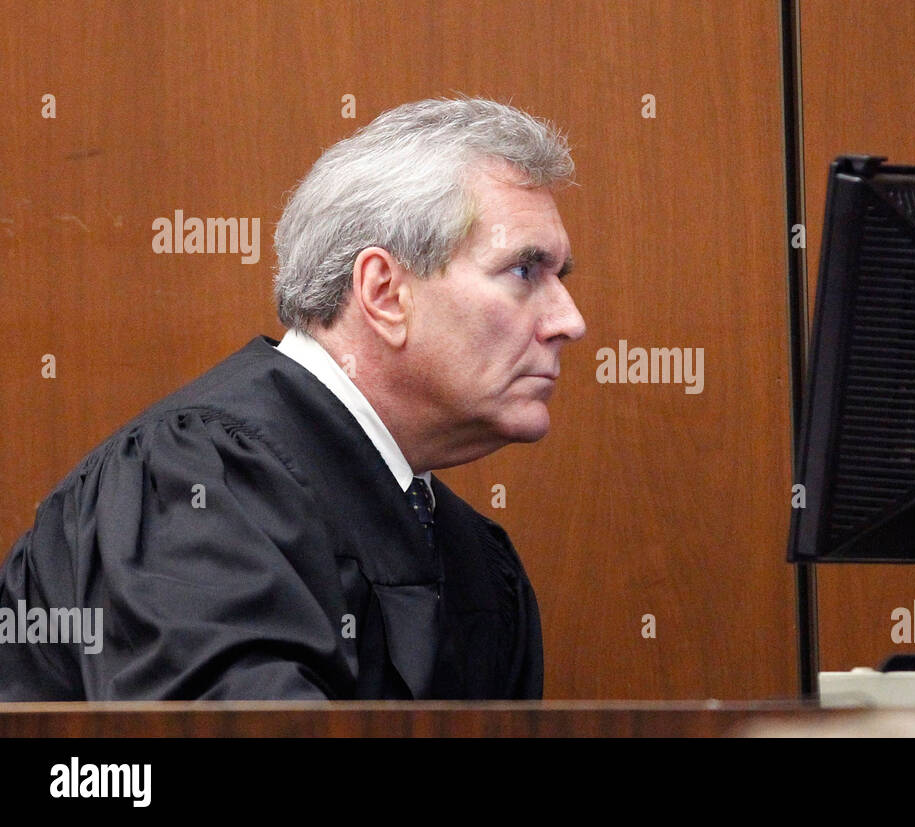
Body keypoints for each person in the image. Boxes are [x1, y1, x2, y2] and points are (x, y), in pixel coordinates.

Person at [0, 98, 586, 700]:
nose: (569, 321)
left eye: (560, 277)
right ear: (384, 293)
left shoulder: (473, 558)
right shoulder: (195, 483)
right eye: (523, 271)